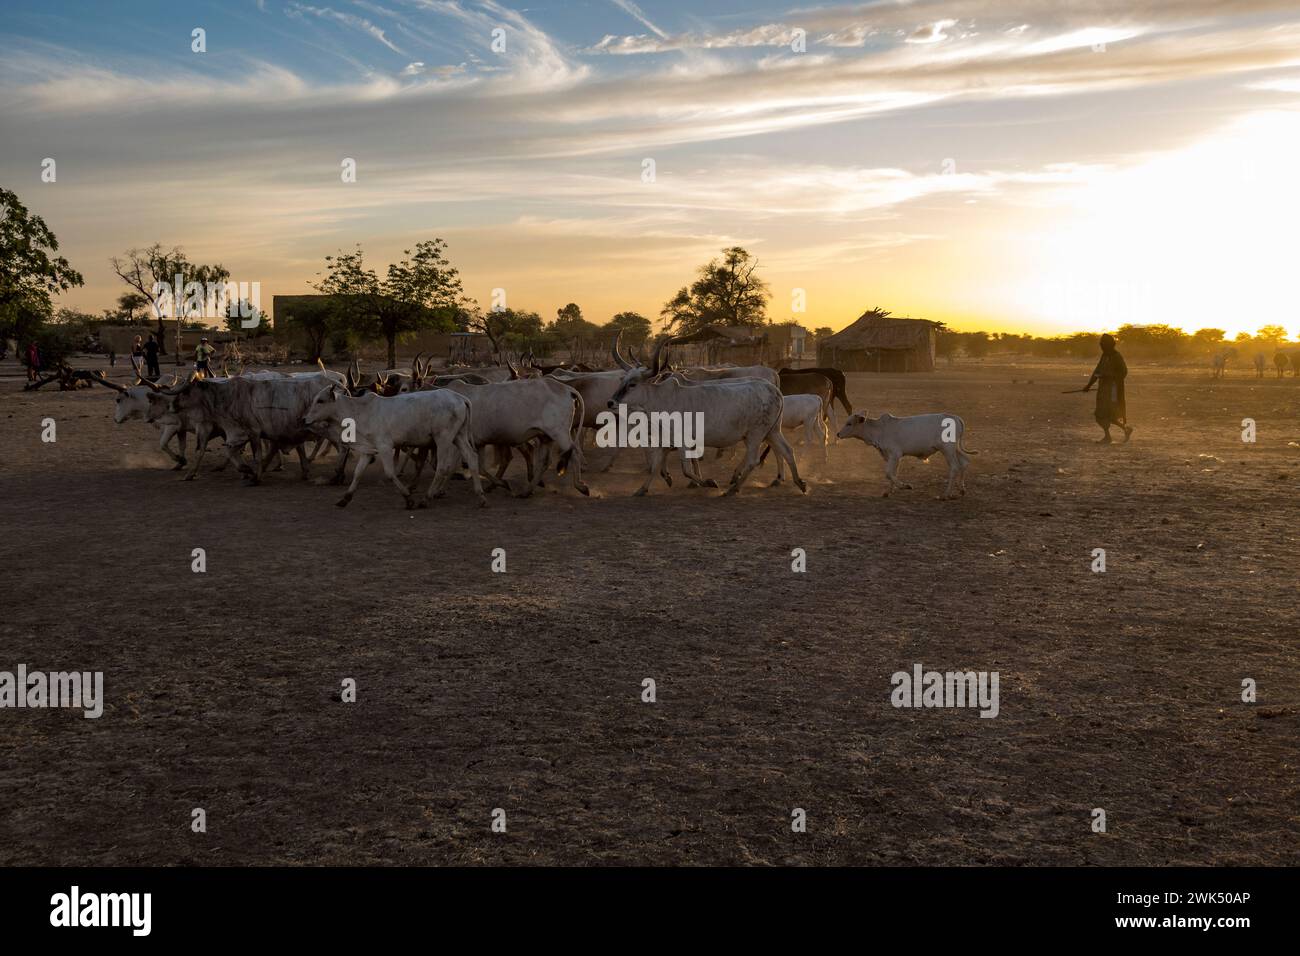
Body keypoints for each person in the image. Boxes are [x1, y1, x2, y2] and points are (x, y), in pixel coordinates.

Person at [1083, 333, 1133, 444]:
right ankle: (1122, 430)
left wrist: (1110, 376)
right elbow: (1097, 372)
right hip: (1103, 389)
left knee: (1107, 413)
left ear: (1109, 345)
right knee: (1101, 413)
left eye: (1103, 344)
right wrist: (1088, 385)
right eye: (1101, 344)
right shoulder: (1104, 356)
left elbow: (1123, 372)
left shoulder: (1116, 356)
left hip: (1113, 390)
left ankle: (1109, 436)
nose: (1101, 346)